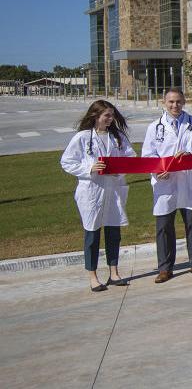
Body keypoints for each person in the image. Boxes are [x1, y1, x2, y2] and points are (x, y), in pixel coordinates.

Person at [59, 100, 134, 292]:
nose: (110, 119)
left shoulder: (117, 137)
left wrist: (119, 170)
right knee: (92, 234)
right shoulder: (83, 137)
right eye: (107, 115)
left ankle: (114, 273)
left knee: (113, 232)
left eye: (112, 115)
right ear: (95, 116)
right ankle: (93, 276)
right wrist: (89, 168)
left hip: (113, 189)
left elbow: (131, 158)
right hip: (92, 191)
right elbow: (67, 161)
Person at [142, 89, 192, 284]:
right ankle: (165, 268)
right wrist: (157, 171)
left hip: (189, 179)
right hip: (165, 181)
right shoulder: (154, 127)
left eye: (179, 101)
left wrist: (189, 155)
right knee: (164, 225)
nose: (175, 105)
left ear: (184, 101)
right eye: (171, 102)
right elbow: (148, 155)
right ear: (164, 102)